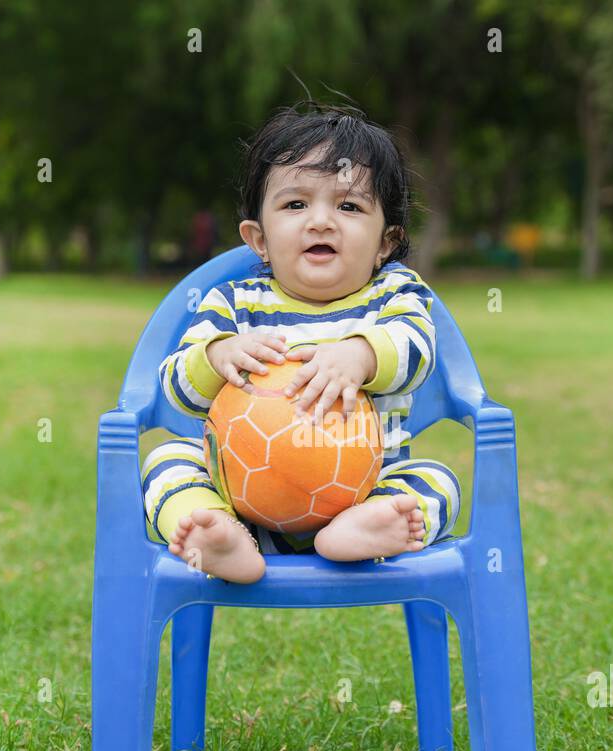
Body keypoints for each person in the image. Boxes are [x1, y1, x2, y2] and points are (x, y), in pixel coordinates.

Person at [142, 102, 461, 583]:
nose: (320, 221)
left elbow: (417, 348)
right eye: (295, 204)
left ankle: (366, 531)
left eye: (349, 206)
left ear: (385, 244)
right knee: (164, 463)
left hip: (365, 492)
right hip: (243, 500)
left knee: (440, 480)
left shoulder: (394, 294)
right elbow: (175, 386)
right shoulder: (233, 303)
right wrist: (216, 356)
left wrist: (362, 354)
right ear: (259, 239)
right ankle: (221, 538)